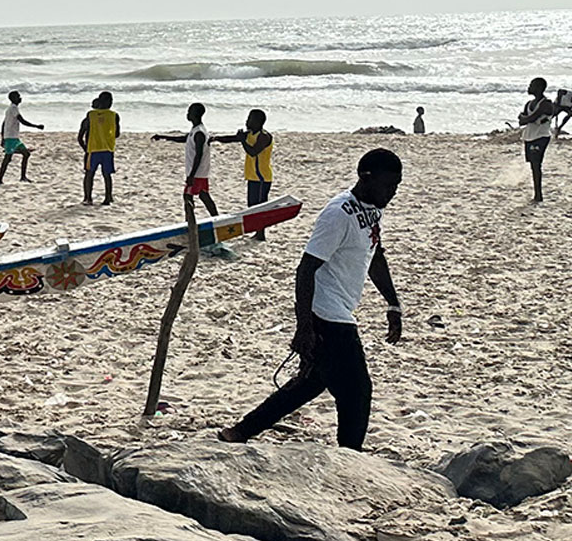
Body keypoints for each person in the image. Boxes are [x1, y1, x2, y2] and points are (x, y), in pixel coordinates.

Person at [221, 150, 404, 450]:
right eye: (388, 186)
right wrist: (304, 326)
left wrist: (393, 305)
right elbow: (306, 269)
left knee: (310, 382)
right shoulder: (338, 214)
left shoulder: (373, 208)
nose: (392, 193)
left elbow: (375, 256)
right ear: (365, 178)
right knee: (357, 392)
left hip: (339, 308)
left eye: (396, 187)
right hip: (326, 312)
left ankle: (241, 431)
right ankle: (350, 455)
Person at [214, 109, 275, 238]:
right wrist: (216, 138)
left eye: (250, 119)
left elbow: (253, 151)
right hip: (252, 176)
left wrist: (242, 141)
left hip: (262, 177)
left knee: (260, 206)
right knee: (252, 206)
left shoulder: (264, 136)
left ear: (258, 122)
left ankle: (261, 233)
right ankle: (258, 231)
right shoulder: (249, 135)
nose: (247, 121)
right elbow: (231, 139)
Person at [154, 101, 217, 216]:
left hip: (197, 173)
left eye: (190, 112)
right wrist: (163, 137)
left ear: (195, 114)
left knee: (187, 197)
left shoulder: (199, 133)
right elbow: (184, 139)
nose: (187, 114)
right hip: (200, 173)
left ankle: (190, 222)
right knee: (204, 196)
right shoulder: (195, 130)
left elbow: (199, 155)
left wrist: (191, 175)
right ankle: (216, 217)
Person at [517, 77, 558, 203]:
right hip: (529, 136)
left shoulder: (546, 104)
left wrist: (526, 118)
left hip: (541, 136)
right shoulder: (529, 104)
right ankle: (537, 193)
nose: (529, 87)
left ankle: (538, 195)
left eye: (532, 85)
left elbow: (527, 118)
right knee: (533, 166)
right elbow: (522, 121)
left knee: (536, 165)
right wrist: (527, 118)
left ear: (539, 88)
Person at [78, 92, 120, 205]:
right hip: (107, 149)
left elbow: (80, 136)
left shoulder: (90, 115)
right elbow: (117, 134)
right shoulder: (114, 115)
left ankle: (88, 198)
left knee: (89, 174)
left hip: (92, 149)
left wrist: (85, 148)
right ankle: (108, 197)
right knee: (107, 175)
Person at [0, 91, 44, 185]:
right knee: (7, 158)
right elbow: (22, 121)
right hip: (11, 138)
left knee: (26, 154)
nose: (20, 98)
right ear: (14, 98)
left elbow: (4, 123)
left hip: (13, 137)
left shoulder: (10, 109)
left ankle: (23, 177)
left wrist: (2, 137)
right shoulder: (13, 108)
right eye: (18, 97)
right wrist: (36, 126)